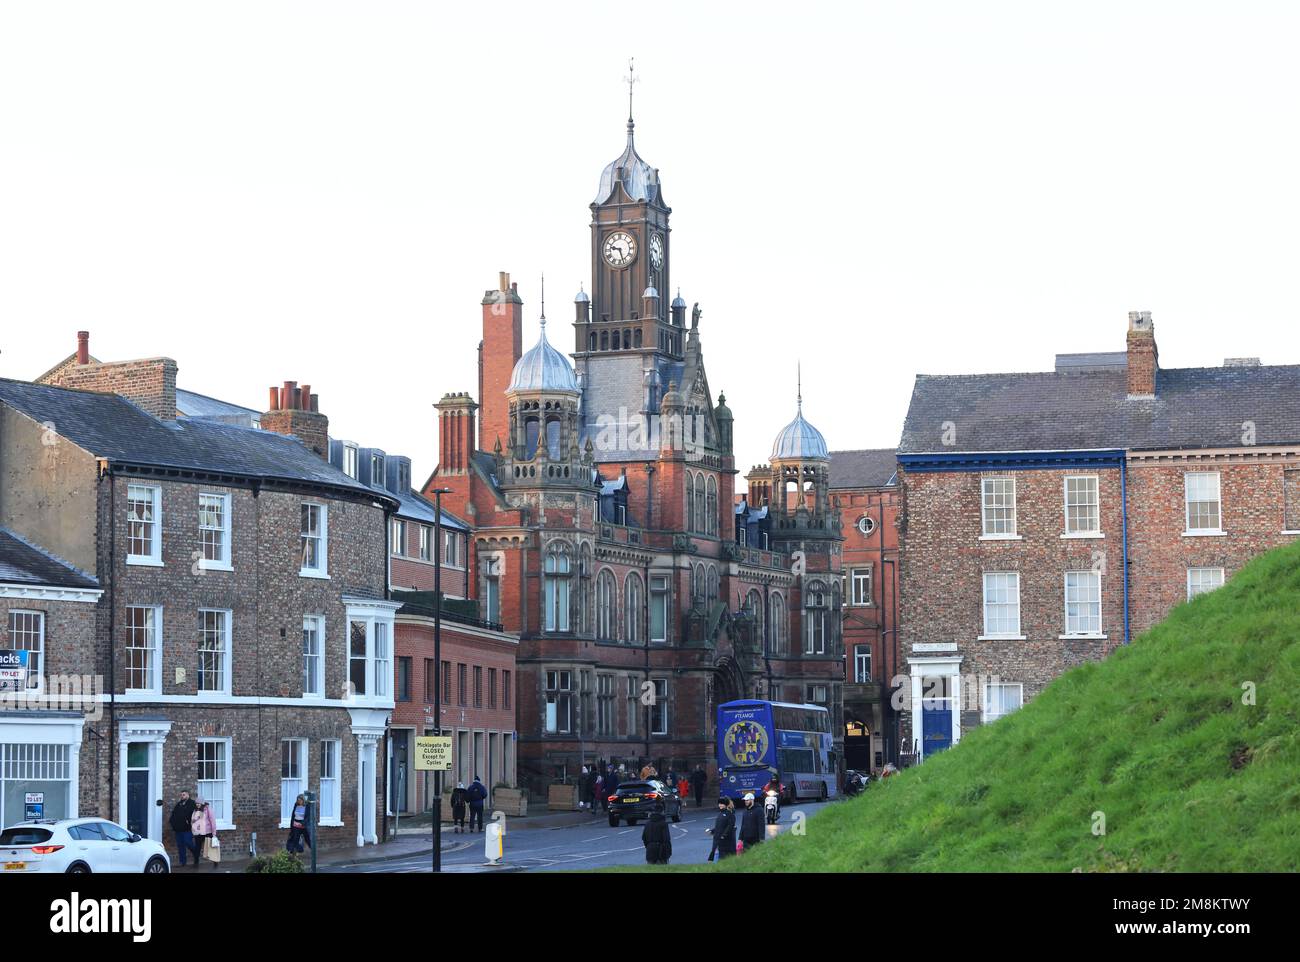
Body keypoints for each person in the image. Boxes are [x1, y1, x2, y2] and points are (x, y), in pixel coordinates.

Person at [168, 790, 199, 868]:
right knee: (180, 846)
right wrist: (173, 823)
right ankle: (182, 862)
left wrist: (190, 823)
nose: (182, 796)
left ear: (188, 795)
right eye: (181, 795)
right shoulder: (179, 804)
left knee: (188, 843)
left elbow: (196, 815)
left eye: (184, 795)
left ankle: (196, 854)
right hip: (178, 829)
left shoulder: (192, 803)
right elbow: (174, 814)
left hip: (187, 829)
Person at [706, 796, 736, 862]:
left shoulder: (730, 814)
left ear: (726, 804)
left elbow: (730, 826)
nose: (720, 805)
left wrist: (723, 835)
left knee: (726, 859)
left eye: (722, 804)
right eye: (719, 803)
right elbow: (719, 826)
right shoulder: (720, 814)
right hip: (719, 842)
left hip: (726, 843)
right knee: (719, 858)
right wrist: (712, 831)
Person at [191, 798, 219, 869]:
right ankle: (196, 863)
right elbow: (193, 821)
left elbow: (212, 821)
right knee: (197, 848)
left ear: (202, 803)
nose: (197, 805)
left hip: (208, 832)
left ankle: (215, 861)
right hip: (199, 833)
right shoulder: (195, 811)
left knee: (211, 848)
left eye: (199, 803)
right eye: (196, 803)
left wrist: (214, 833)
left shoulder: (208, 809)